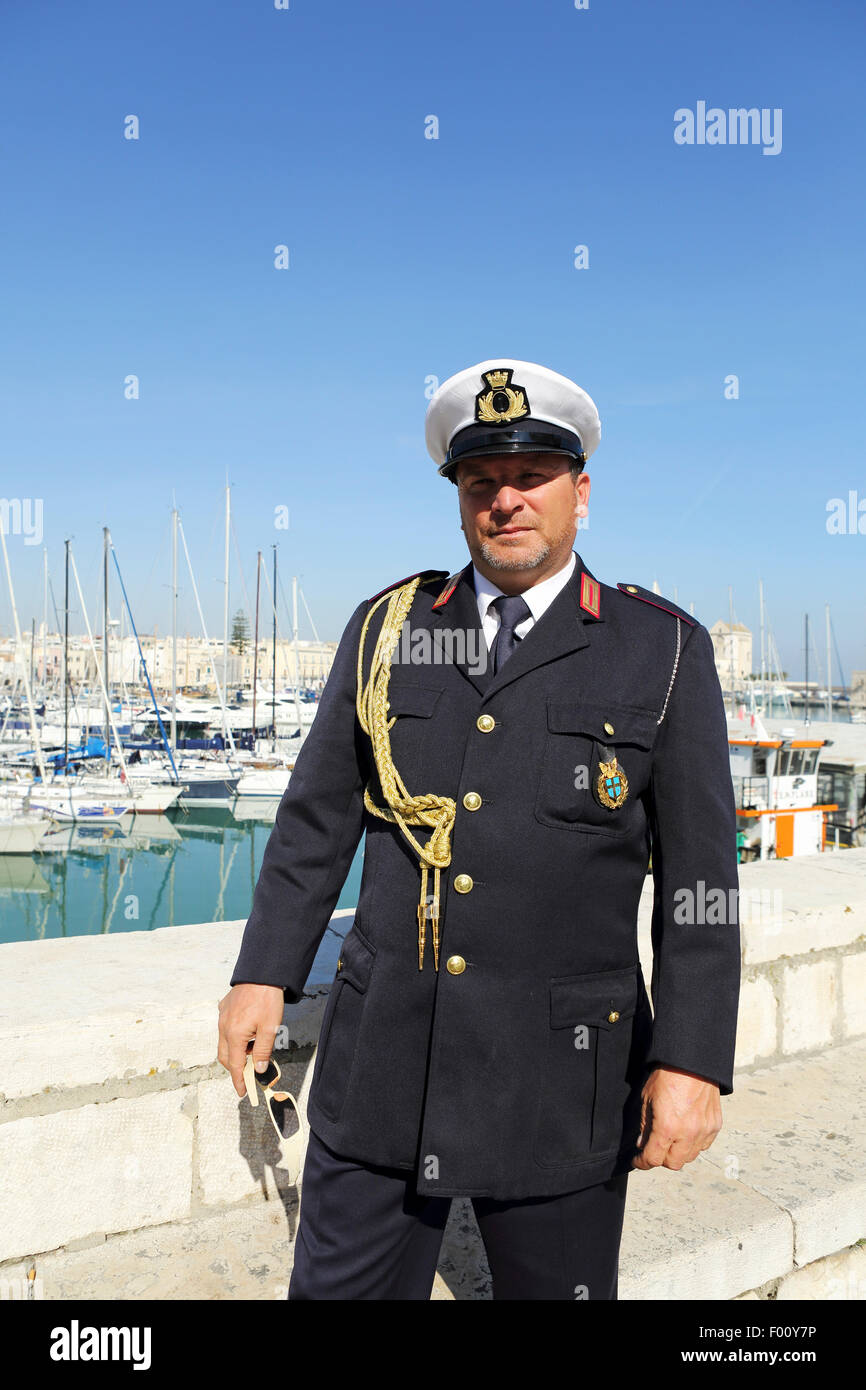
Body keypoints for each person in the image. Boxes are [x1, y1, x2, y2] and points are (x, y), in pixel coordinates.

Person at [217, 358, 741, 1300]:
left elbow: (702, 885)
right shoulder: (393, 628)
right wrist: (264, 971)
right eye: (481, 482)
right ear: (460, 499)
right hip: (382, 1070)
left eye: (531, 477)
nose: (506, 501)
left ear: (580, 494)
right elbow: (315, 818)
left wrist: (693, 1060)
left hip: (563, 1083)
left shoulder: (659, 648)